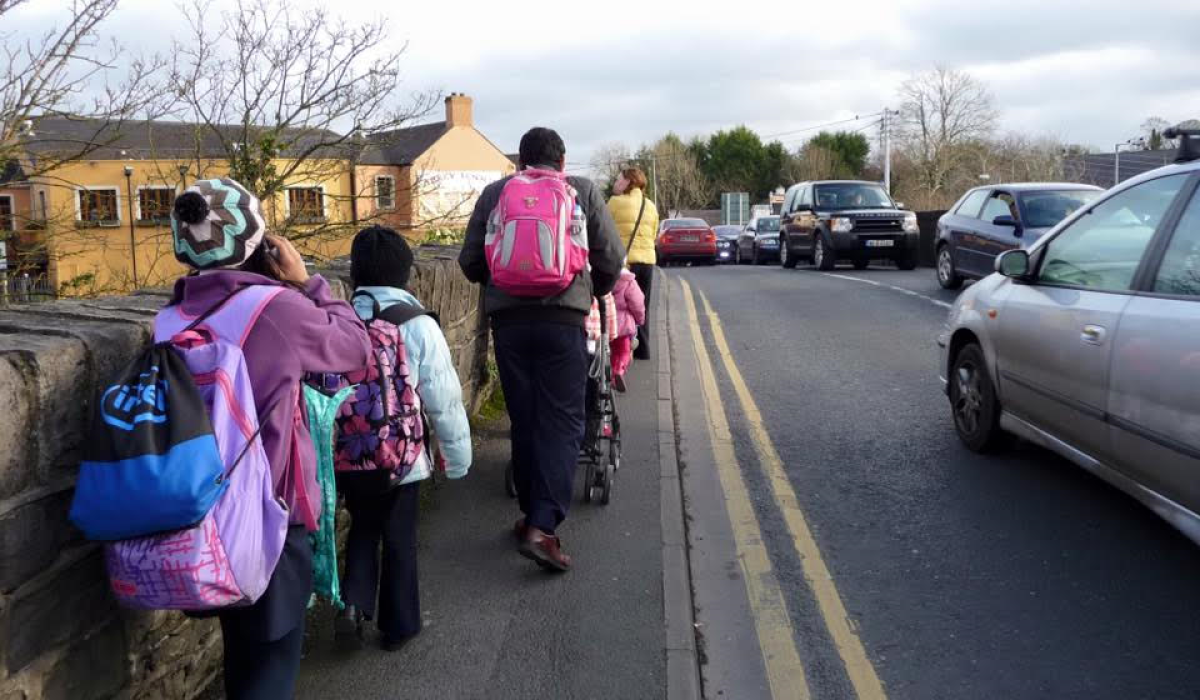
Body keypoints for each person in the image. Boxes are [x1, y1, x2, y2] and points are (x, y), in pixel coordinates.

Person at [165, 178, 372, 700]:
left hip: (200, 513)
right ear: (258, 241)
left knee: (242, 653)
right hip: (269, 514)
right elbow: (355, 351)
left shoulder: (169, 320)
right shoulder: (274, 308)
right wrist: (310, 284)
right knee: (273, 661)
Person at [459, 127, 624, 571]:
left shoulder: (496, 193)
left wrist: (504, 280)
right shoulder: (582, 190)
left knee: (526, 419)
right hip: (564, 320)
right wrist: (596, 288)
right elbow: (610, 256)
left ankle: (531, 516)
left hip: (510, 325)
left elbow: (470, 261)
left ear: (520, 163)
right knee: (564, 422)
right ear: (563, 161)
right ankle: (542, 527)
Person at [333, 226, 473, 651]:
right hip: (402, 459)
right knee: (399, 538)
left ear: (355, 273)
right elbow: (443, 397)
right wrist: (457, 456)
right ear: (406, 275)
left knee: (362, 526)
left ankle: (355, 602)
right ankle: (399, 626)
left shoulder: (338, 320)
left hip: (350, 455)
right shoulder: (417, 325)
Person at [607, 167, 659, 360]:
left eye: (618, 180)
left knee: (618, 306)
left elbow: (605, 231)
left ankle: (620, 349)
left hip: (624, 265)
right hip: (646, 262)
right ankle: (643, 350)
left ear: (628, 182)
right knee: (642, 306)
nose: (615, 183)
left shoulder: (614, 203)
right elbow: (653, 234)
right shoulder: (650, 206)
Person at [610, 265, 646, 393]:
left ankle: (610, 376)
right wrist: (640, 320)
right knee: (624, 352)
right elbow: (638, 304)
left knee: (611, 352)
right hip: (623, 327)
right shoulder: (629, 282)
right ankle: (618, 371)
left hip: (606, 324)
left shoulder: (603, 277)